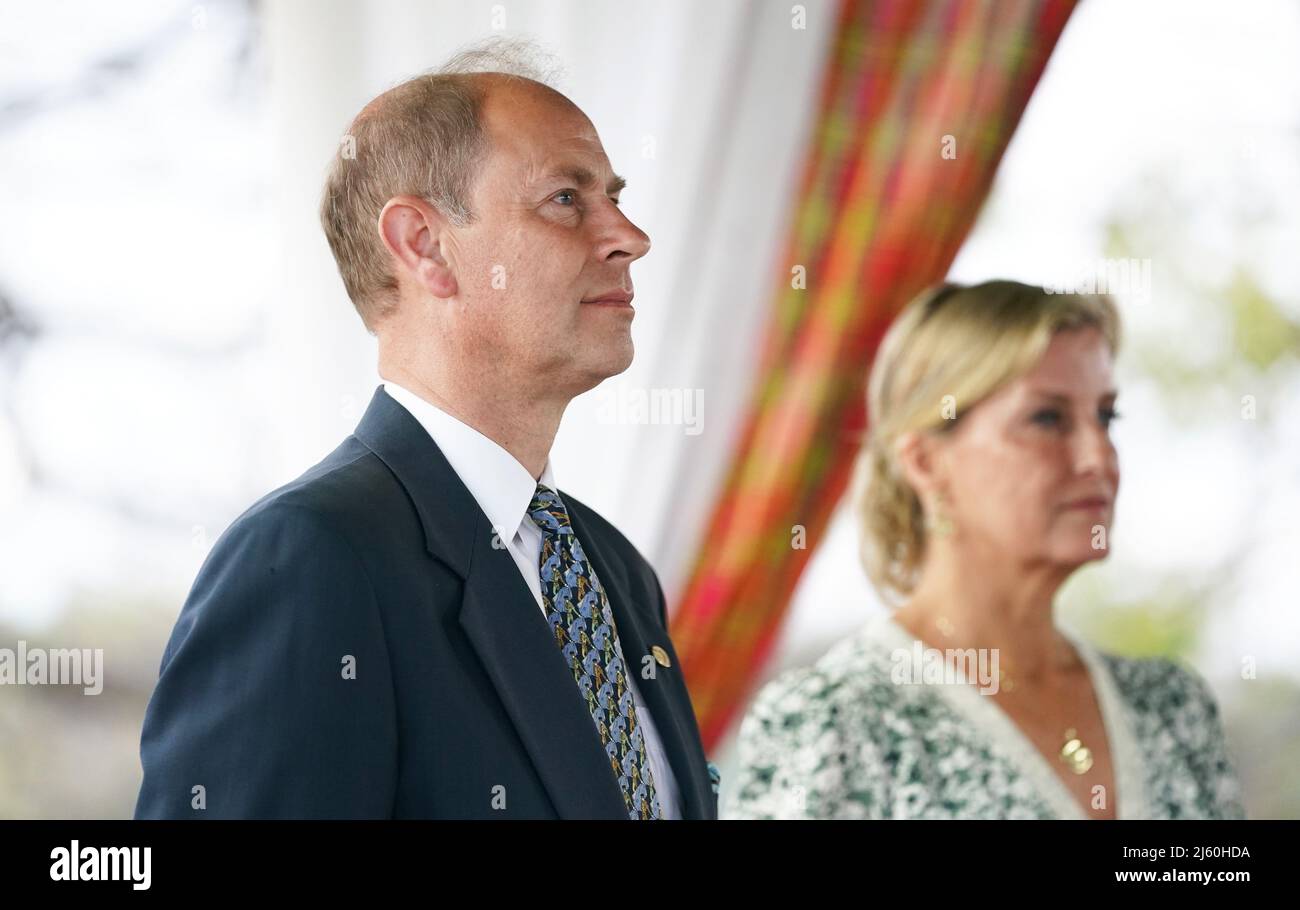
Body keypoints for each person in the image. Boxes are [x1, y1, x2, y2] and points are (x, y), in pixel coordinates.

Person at [135, 40, 718, 820]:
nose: (629, 236)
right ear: (424, 246)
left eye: (612, 196)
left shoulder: (615, 569)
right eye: (567, 200)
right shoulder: (310, 559)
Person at [727, 280, 1245, 819]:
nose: (1099, 457)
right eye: (1047, 418)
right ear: (925, 461)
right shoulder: (834, 720)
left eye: (1106, 417)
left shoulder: (1169, 707)